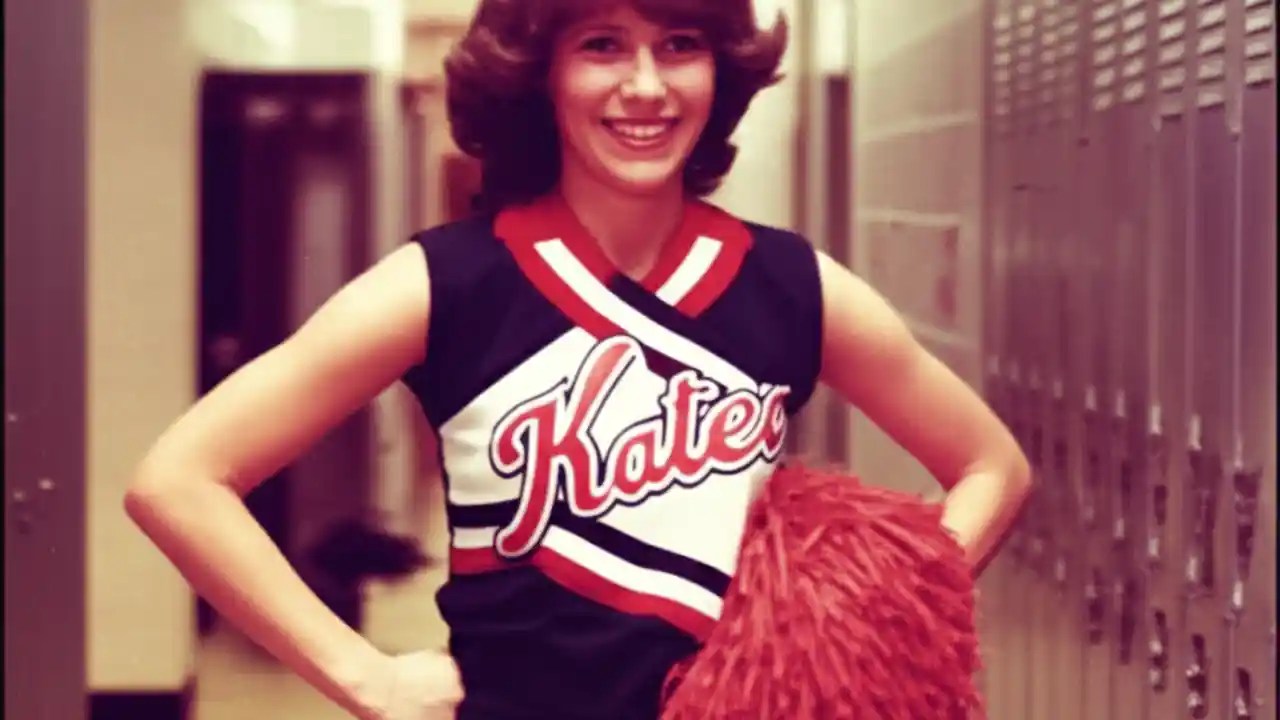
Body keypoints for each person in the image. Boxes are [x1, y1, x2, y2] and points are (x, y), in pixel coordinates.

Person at [125, 1, 1033, 718]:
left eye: (680, 43)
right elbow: (179, 480)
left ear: (720, 70)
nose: (646, 86)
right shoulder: (450, 282)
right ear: (543, 76)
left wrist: (858, 625)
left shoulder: (792, 283)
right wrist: (369, 682)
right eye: (602, 45)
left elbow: (992, 465)